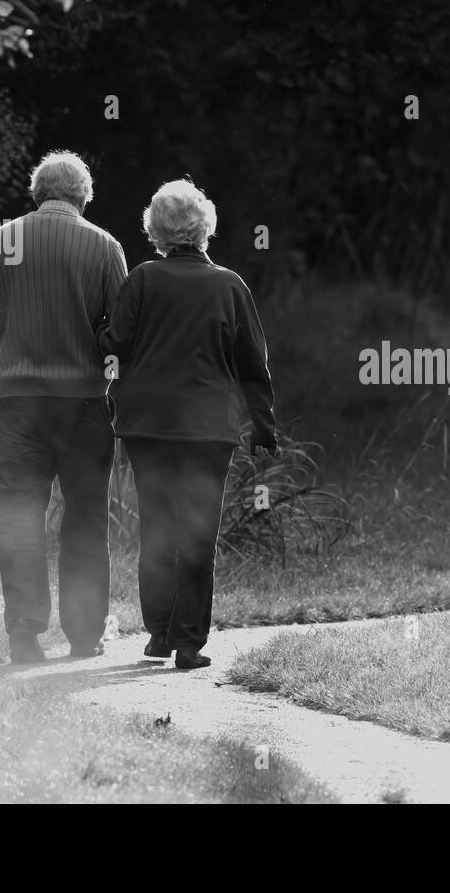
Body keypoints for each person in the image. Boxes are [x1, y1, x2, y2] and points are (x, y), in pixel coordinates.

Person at [98, 178, 277, 670]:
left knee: (156, 526)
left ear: (155, 229)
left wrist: (99, 330)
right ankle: (188, 643)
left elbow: (115, 344)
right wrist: (262, 423)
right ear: (204, 227)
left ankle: (158, 633)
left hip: (147, 426)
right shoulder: (229, 285)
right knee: (198, 533)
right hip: (206, 429)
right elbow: (252, 363)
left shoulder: (143, 279)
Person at [0, 150, 126, 664]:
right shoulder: (104, 246)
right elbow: (121, 336)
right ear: (83, 196)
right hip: (83, 407)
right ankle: (83, 634)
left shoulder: (1, 241)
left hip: (19, 408)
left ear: (36, 193)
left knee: (19, 517)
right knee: (85, 520)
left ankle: (25, 635)